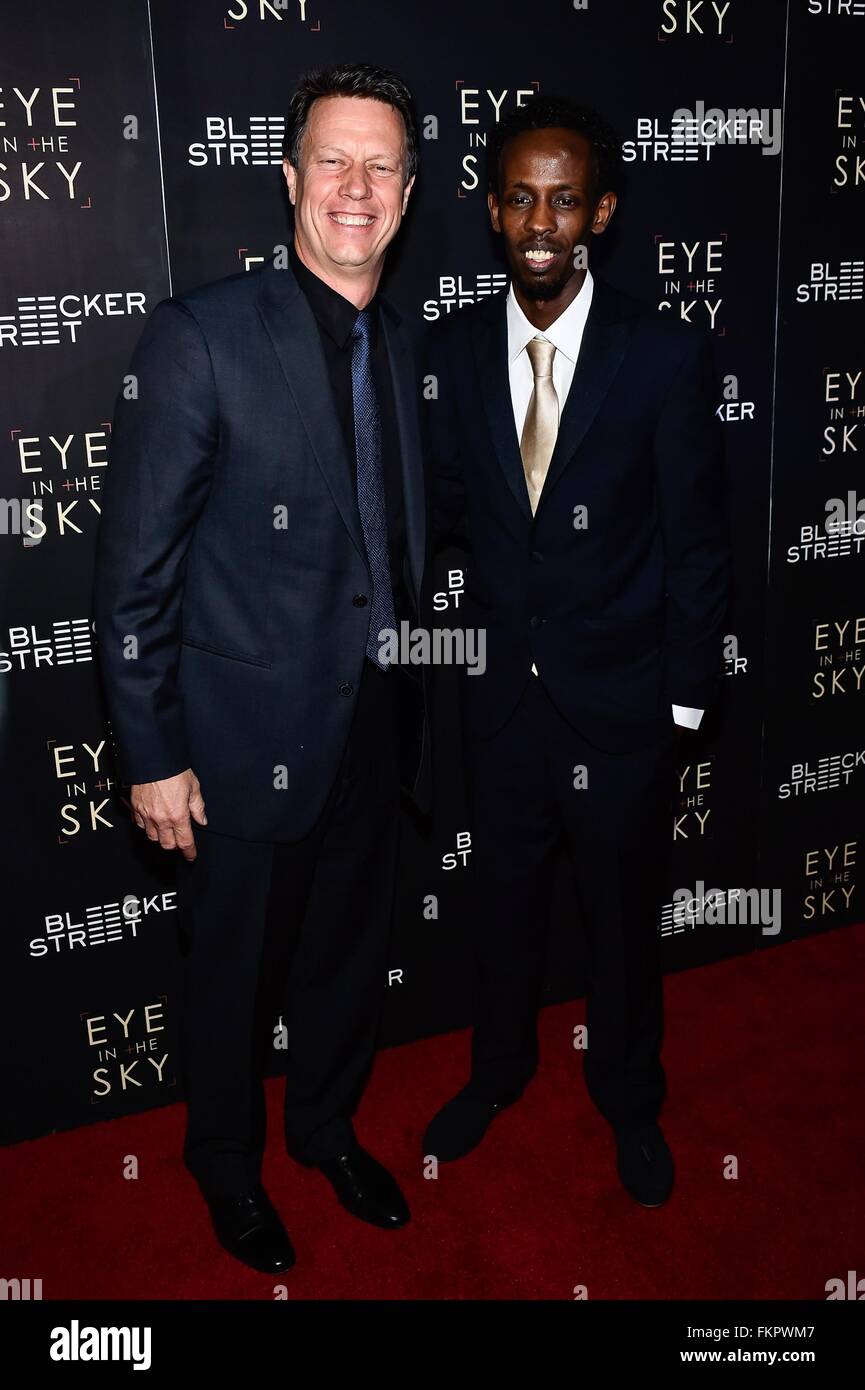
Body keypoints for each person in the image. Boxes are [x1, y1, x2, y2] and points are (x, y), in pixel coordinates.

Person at [93, 62, 429, 1273]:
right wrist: (154, 750)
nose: (356, 186)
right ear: (289, 180)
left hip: (375, 725)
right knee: (233, 977)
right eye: (332, 160)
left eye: (380, 165)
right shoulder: (200, 336)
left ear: (406, 191)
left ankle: (328, 1129)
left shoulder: (400, 340)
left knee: (347, 957)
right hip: (239, 739)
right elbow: (134, 574)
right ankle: (225, 1164)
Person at [422, 95, 731, 1207]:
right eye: (519, 197)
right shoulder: (450, 353)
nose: (540, 220)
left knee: (618, 926)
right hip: (501, 708)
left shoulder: (660, 355)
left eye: (563, 198)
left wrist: (683, 706)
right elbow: (446, 514)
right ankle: (496, 1073)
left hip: (624, 710)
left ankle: (631, 1100)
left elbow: (698, 541)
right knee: (500, 917)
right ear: (492, 212)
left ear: (598, 212)